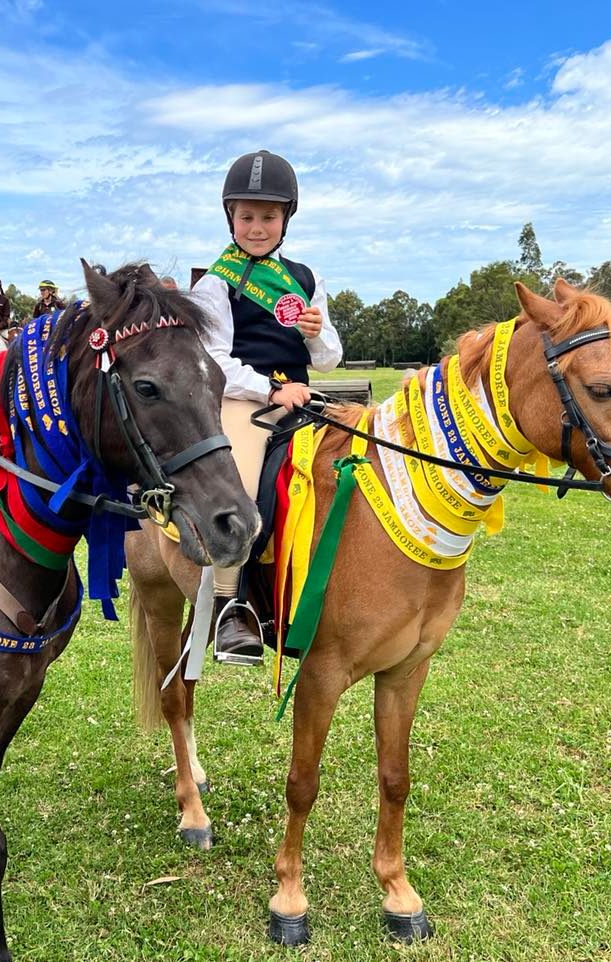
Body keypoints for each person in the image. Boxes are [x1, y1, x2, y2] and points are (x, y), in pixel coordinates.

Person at [191, 149, 342, 666]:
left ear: (286, 219)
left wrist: (315, 335)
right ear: (231, 218)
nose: (257, 228)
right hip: (243, 400)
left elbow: (329, 359)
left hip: (305, 398)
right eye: (247, 217)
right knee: (240, 483)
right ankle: (229, 605)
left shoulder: (305, 277)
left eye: (269, 217)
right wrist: (270, 390)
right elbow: (214, 358)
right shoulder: (216, 282)